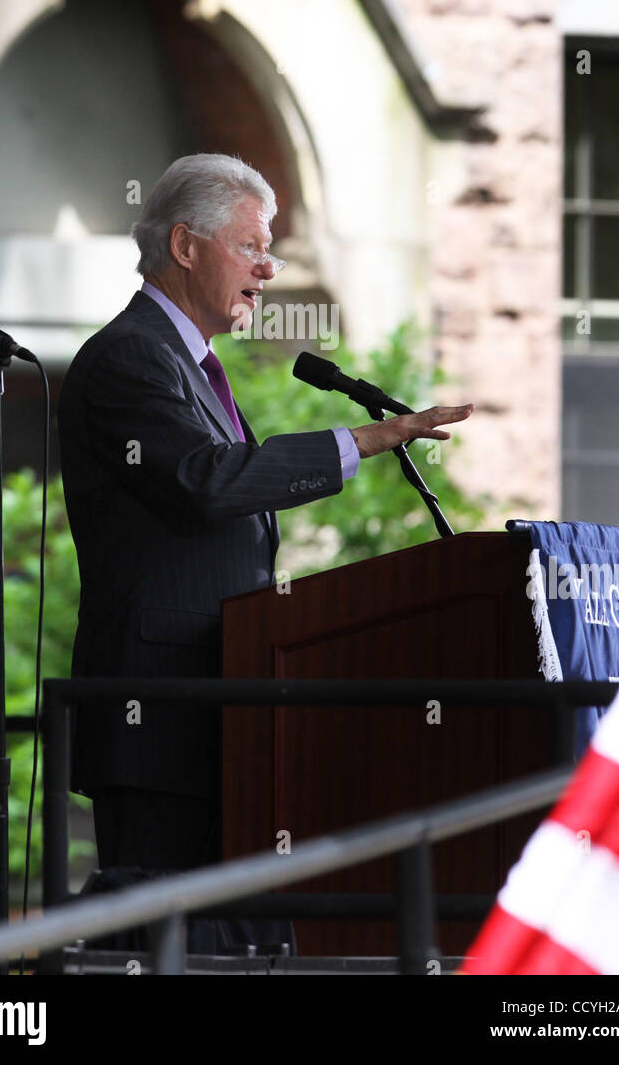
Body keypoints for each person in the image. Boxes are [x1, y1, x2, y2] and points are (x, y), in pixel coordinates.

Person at [58, 153, 473, 930]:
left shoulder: (189, 362)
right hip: (161, 716)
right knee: (159, 946)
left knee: (218, 947)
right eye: (250, 246)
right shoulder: (130, 356)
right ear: (186, 247)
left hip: (220, 710)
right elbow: (203, 480)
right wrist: (364, 440)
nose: (270, 267)